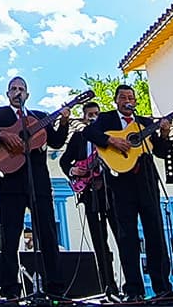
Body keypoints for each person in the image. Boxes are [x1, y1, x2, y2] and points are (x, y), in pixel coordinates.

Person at [0, 76, 69, 298]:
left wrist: (64, 122)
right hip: (11, 183)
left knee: (47, 235)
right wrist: (3, 135)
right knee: (10, 237)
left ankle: (54, 288)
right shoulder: (0, 114)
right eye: (13, 89)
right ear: (8, 94)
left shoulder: (40, 117)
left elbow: (56, 141)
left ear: (27, 94)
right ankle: (10, 290)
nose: (18, 92)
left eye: (21, 89)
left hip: (39, 183)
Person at [83, 84, 173, 301]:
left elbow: (161, 152)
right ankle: (133, 290)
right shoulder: (106, 119)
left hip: (147, 182)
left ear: (135, 101)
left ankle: (162, 287)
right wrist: (112, 140)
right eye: (123, 97)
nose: (127, 101)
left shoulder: (145, 123)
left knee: (155, 233)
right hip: (121, 183)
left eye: (131, 97)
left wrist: (164, 133)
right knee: (127, 237)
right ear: (116, 100)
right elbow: (89, 132)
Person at [61, 100, 117, 297]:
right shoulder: (79, 137)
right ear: (84, 118)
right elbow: (64, 161)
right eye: (89, 114)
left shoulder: (109, 136)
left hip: (110, 192)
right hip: (90, 193)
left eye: (96, 114)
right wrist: (73, 170)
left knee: (122, 237)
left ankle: (131, 286)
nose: (93, 117)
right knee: (99, 242)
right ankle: (108, 286)